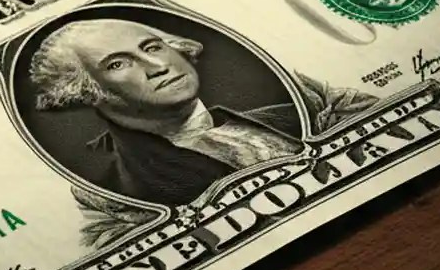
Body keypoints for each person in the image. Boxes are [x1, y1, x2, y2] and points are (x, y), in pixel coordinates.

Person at [28, 18, 368, 205]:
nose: (157, 65)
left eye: (152, 47)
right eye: (118, 63)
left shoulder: (294, 116)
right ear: (84, 90)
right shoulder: (126, 196)